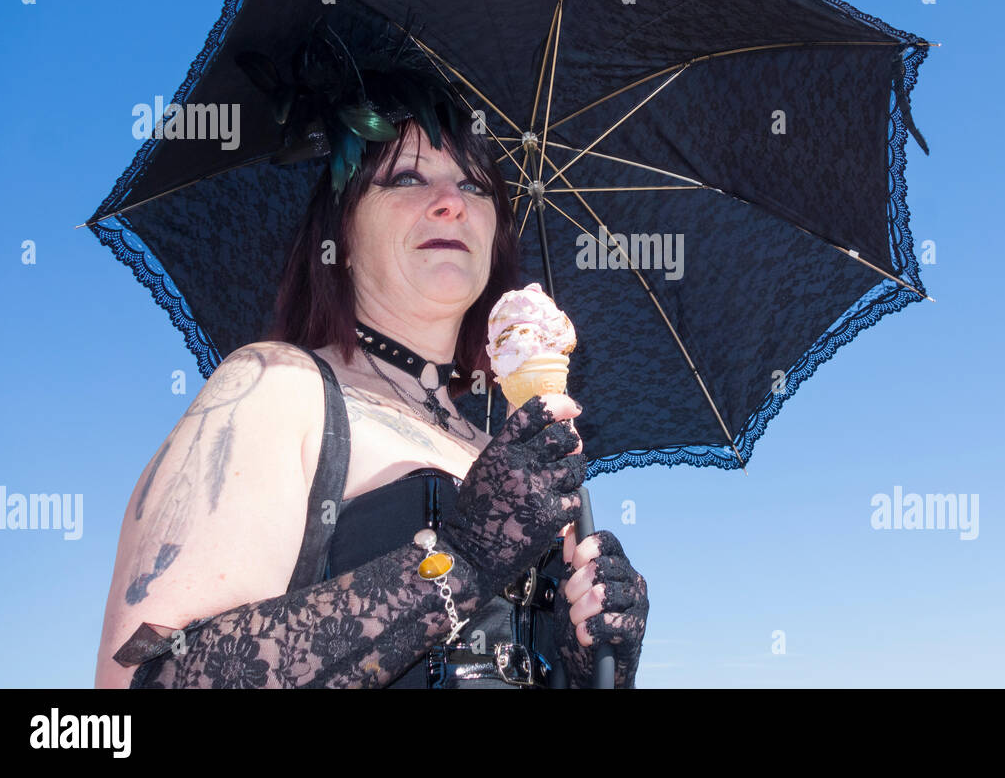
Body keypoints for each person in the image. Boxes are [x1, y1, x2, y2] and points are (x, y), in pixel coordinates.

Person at [92, 66, 648, 688]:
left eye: (475, 184)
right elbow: (148, 683)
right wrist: (459, 562)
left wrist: (591, 659)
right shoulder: (274, 386)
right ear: (343, 236)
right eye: (407, 177)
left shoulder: (499, 445)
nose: (452, 201)